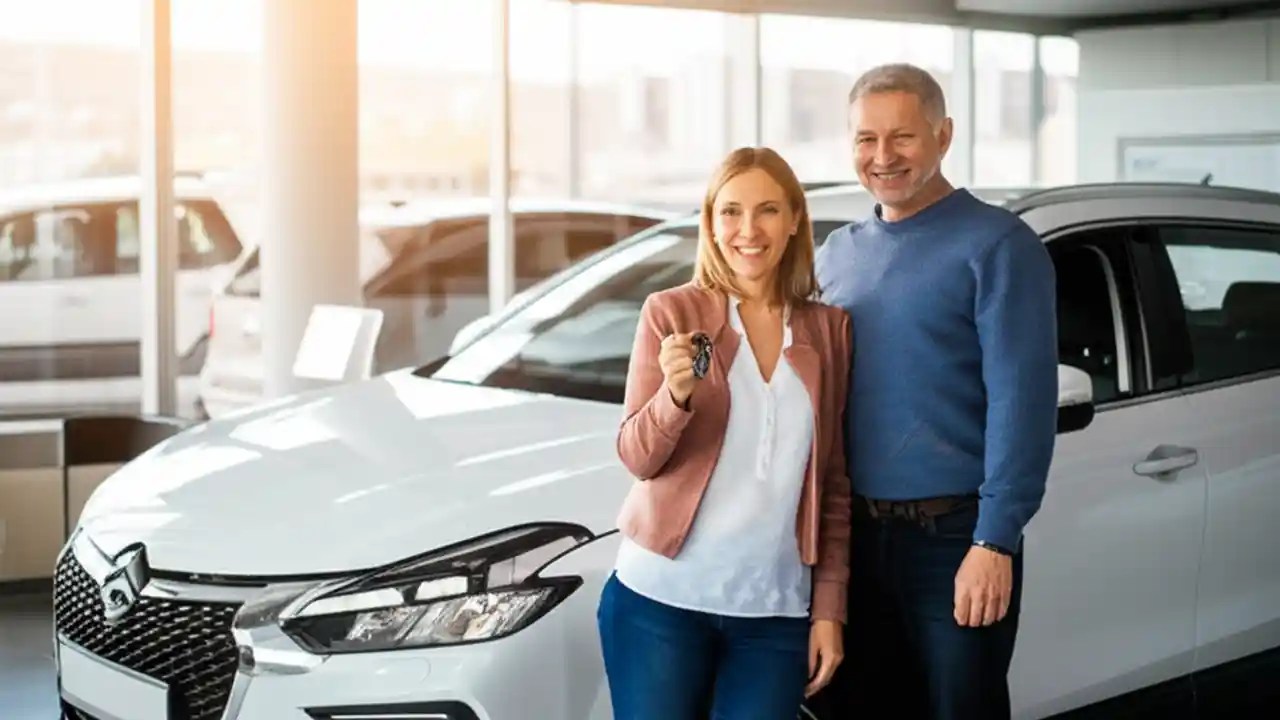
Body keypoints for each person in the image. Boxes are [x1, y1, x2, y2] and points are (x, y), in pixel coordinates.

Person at [811, 63, 1058, 720]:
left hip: (955, 540)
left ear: (943, 135)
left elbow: (1022, 404)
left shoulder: (1000, 246)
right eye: (866, 139)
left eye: (903, 137)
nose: (882, 157)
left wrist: (995, 541)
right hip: (854, 541)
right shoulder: (837, 253)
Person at [597, 146, 854, 720]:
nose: (748, 230)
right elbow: (637, 458)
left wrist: (828, 611)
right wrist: (676, 396)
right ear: (711, 223)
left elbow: (833, 484)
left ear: (793, 221)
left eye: (766, 210)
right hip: (659, 602)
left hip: (775, 614)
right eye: (730, 212)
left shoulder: (830, 330)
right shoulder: (671, 314)